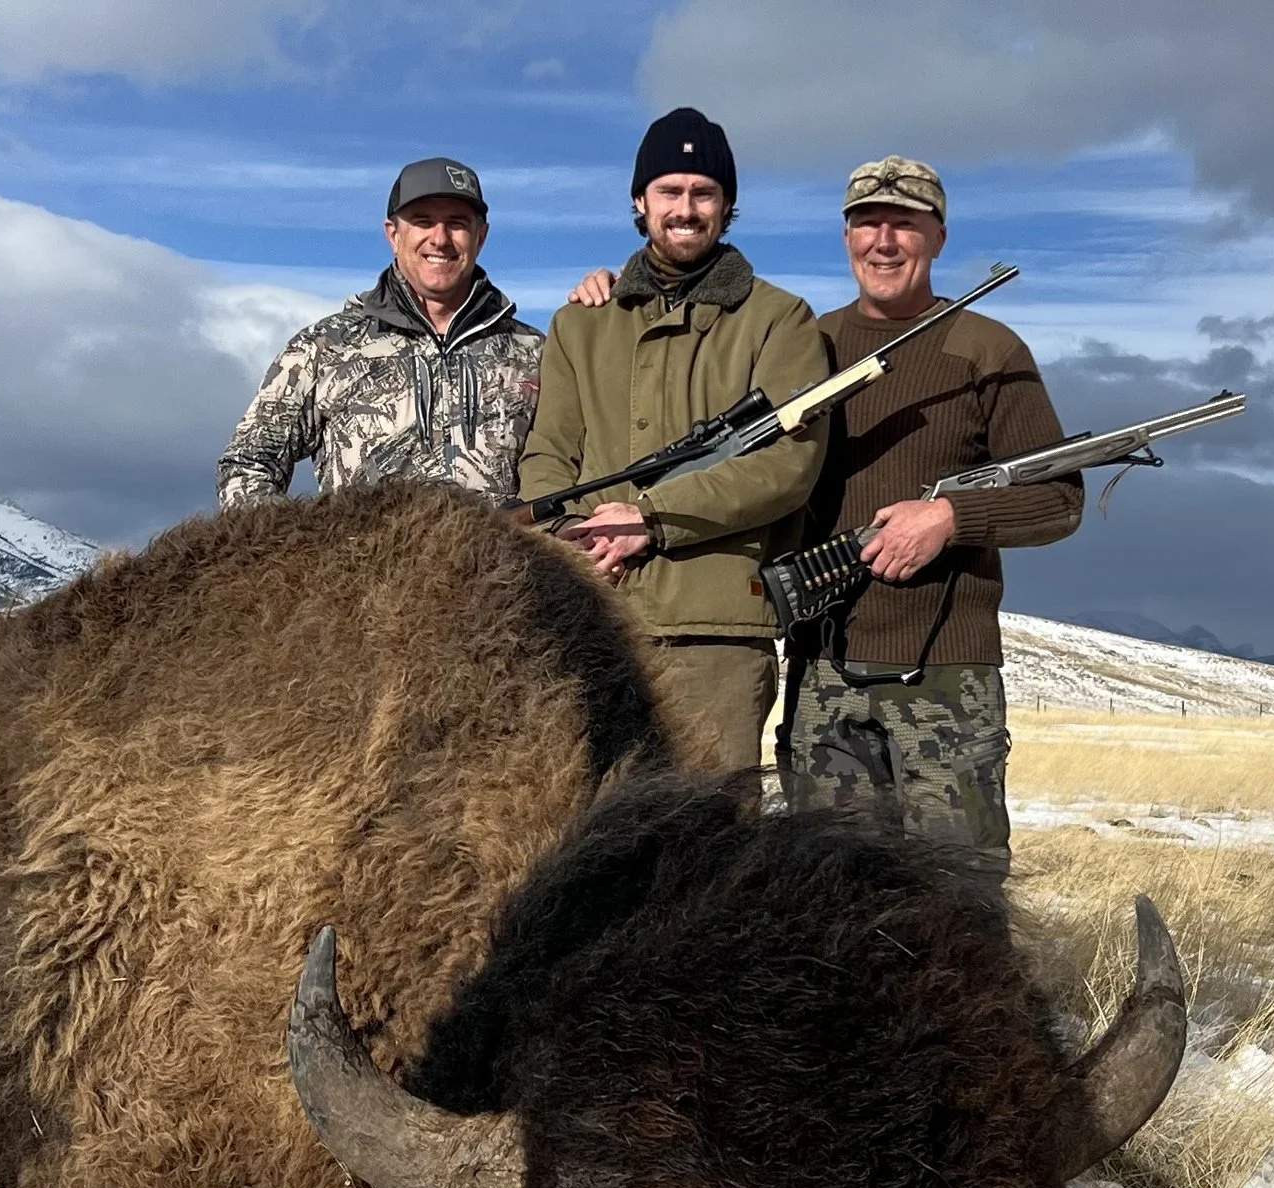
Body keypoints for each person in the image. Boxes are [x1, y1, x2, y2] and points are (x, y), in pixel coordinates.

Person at [780, 156, 1081, 872]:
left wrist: (952, 518)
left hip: (947, 680)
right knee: (826, 899)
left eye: (904, 224)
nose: (884, 241)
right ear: (846, 236)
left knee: (960, 901)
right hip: (822, 670)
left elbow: (1060, 498)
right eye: (867, 222)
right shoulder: (805, 347)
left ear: (938, 238)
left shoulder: (987, 350)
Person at [519, 108, 828, 782]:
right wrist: (573, 536)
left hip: (717, 631)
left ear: (727, 205)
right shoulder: (579, 323)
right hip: (594, 616)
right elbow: (547, 454)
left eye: (703, 192)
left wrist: (649, 519)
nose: (685, 209)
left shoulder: (782, 320)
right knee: (583, 833)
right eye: (669, 191)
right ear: (640, 201)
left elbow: (787, 466)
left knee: (710, 841)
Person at [217, 158, 541, 507]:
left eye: (457, 223)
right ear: (393, 234)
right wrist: (303, 550)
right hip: (360, 560)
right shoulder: (324, 346)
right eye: (423, 222)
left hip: (501, 559)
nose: (440, 238)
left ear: (481, 236)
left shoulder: (535, 352)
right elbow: (247, 464)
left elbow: (571, 464)